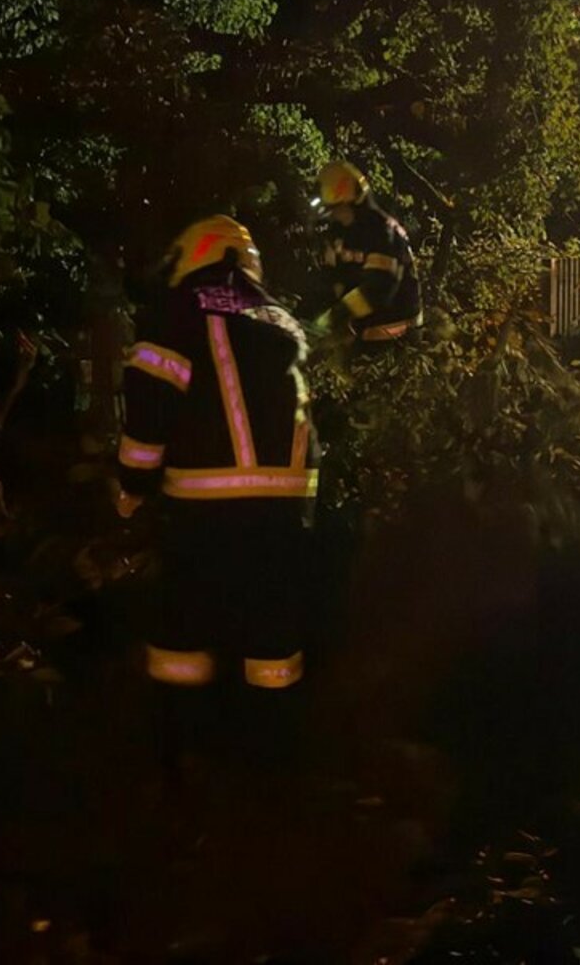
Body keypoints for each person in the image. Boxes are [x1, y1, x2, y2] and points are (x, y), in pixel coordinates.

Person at [115, 215, 320, 784]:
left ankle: (180, 754)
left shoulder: (174, 317)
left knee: (183, 630)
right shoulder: (280, 320)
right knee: (271, 641)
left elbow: (146, 422)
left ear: (190, 257)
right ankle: (272, 760)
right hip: (285, 513)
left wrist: (130, 492)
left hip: (203, 511)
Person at [312, 160, 421, 346]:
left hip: (396, 333)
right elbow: (333, 278)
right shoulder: (340, 233)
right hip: (360, 328)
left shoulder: (383, 233)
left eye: (336, 209)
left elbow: (379, 289)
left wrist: (334, 317)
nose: (334, 216)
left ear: (352, 202)